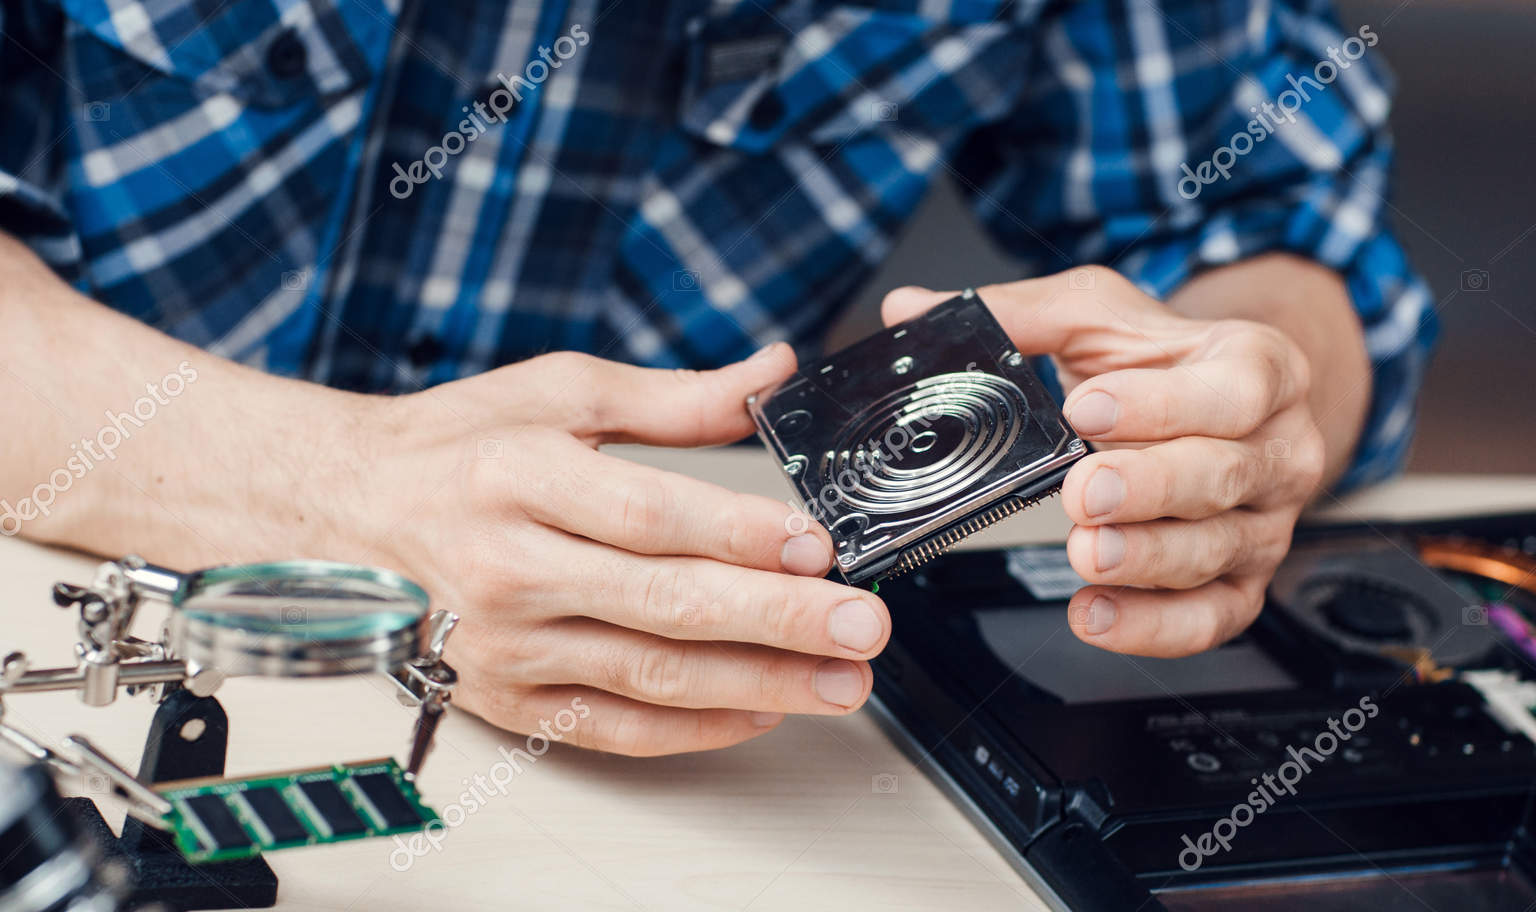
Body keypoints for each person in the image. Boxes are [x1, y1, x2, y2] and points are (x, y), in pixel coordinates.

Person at [0, 1, 1433, 755]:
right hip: (78, 632)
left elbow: (1264, 235)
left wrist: (1245, 401)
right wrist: (340, 501)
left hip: (699, 747)